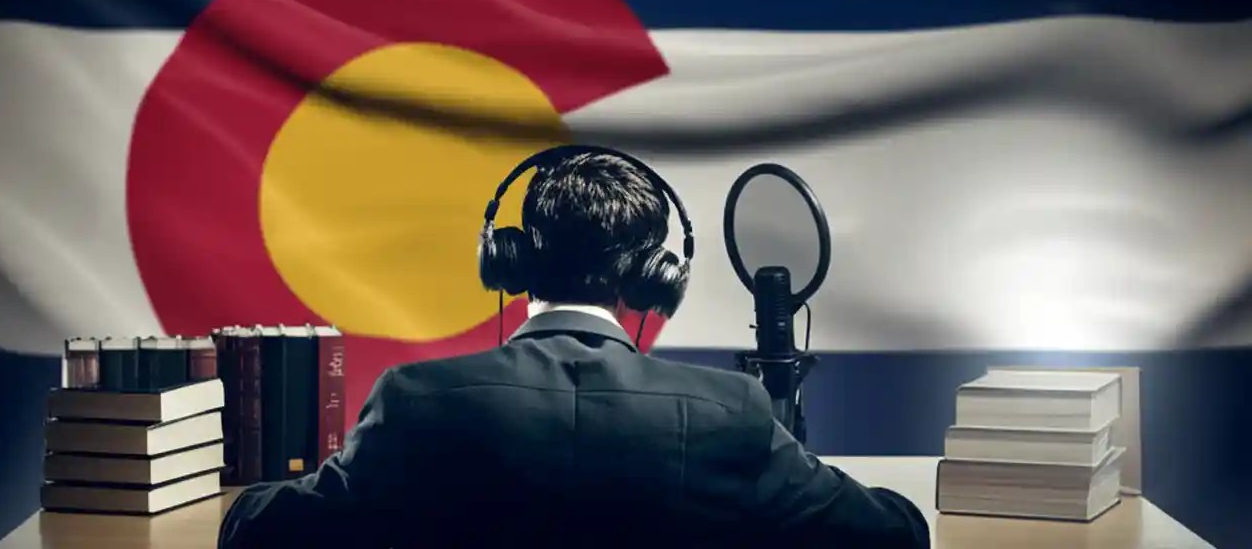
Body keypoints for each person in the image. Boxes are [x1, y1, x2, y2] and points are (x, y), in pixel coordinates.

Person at [218, 147, 929, 548]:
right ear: (655, 280)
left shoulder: (415, 402)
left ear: (512, 260)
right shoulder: (731, 411)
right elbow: (894, 537)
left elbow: (256, 534)